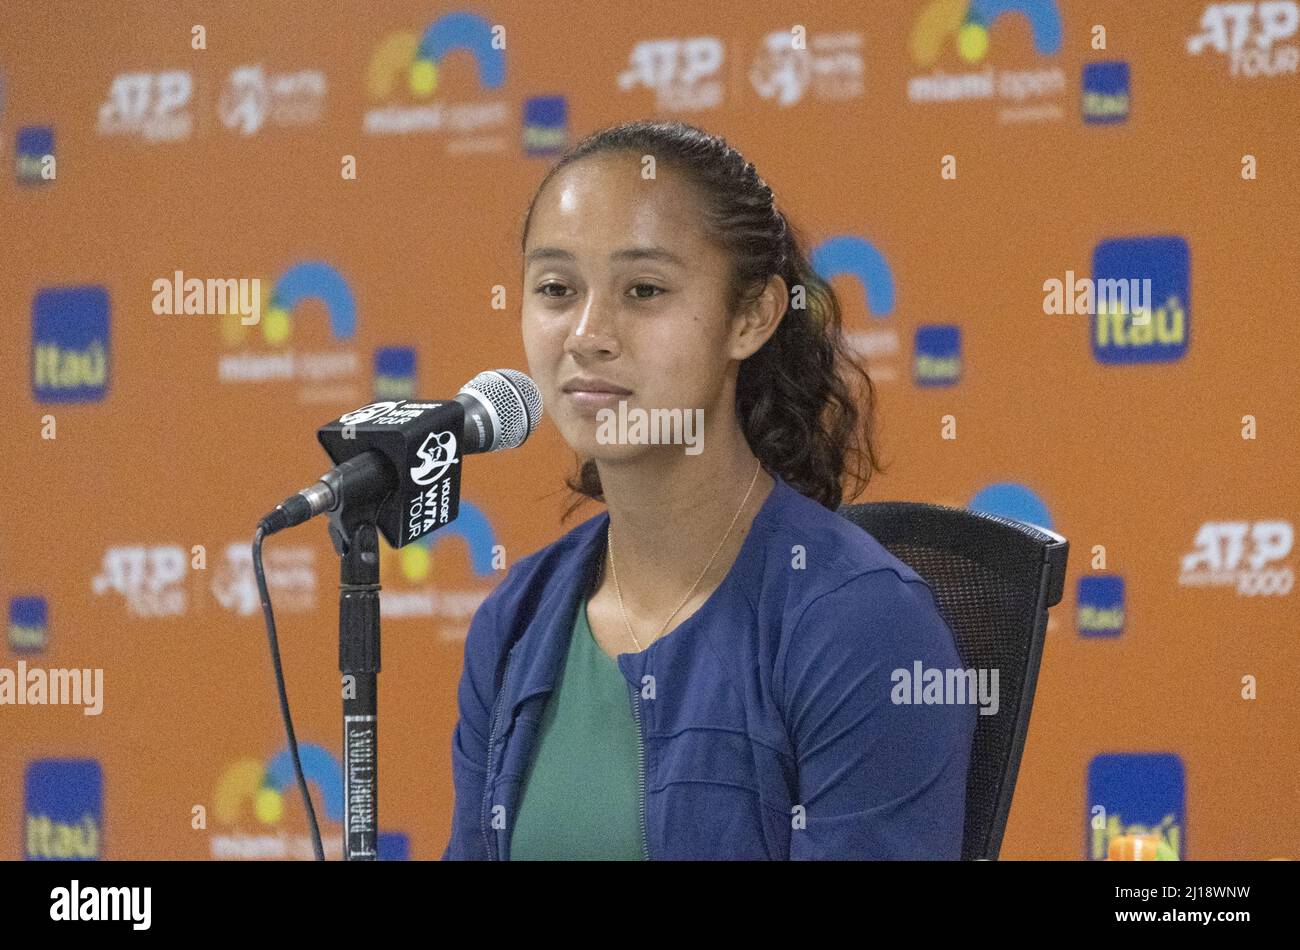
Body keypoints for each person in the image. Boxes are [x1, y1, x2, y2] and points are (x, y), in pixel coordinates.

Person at [443, 119, 975, 860]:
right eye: (557, 289)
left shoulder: (862, 623)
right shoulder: (516, 622)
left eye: (645, 289)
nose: (588, 334)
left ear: (752, 316)